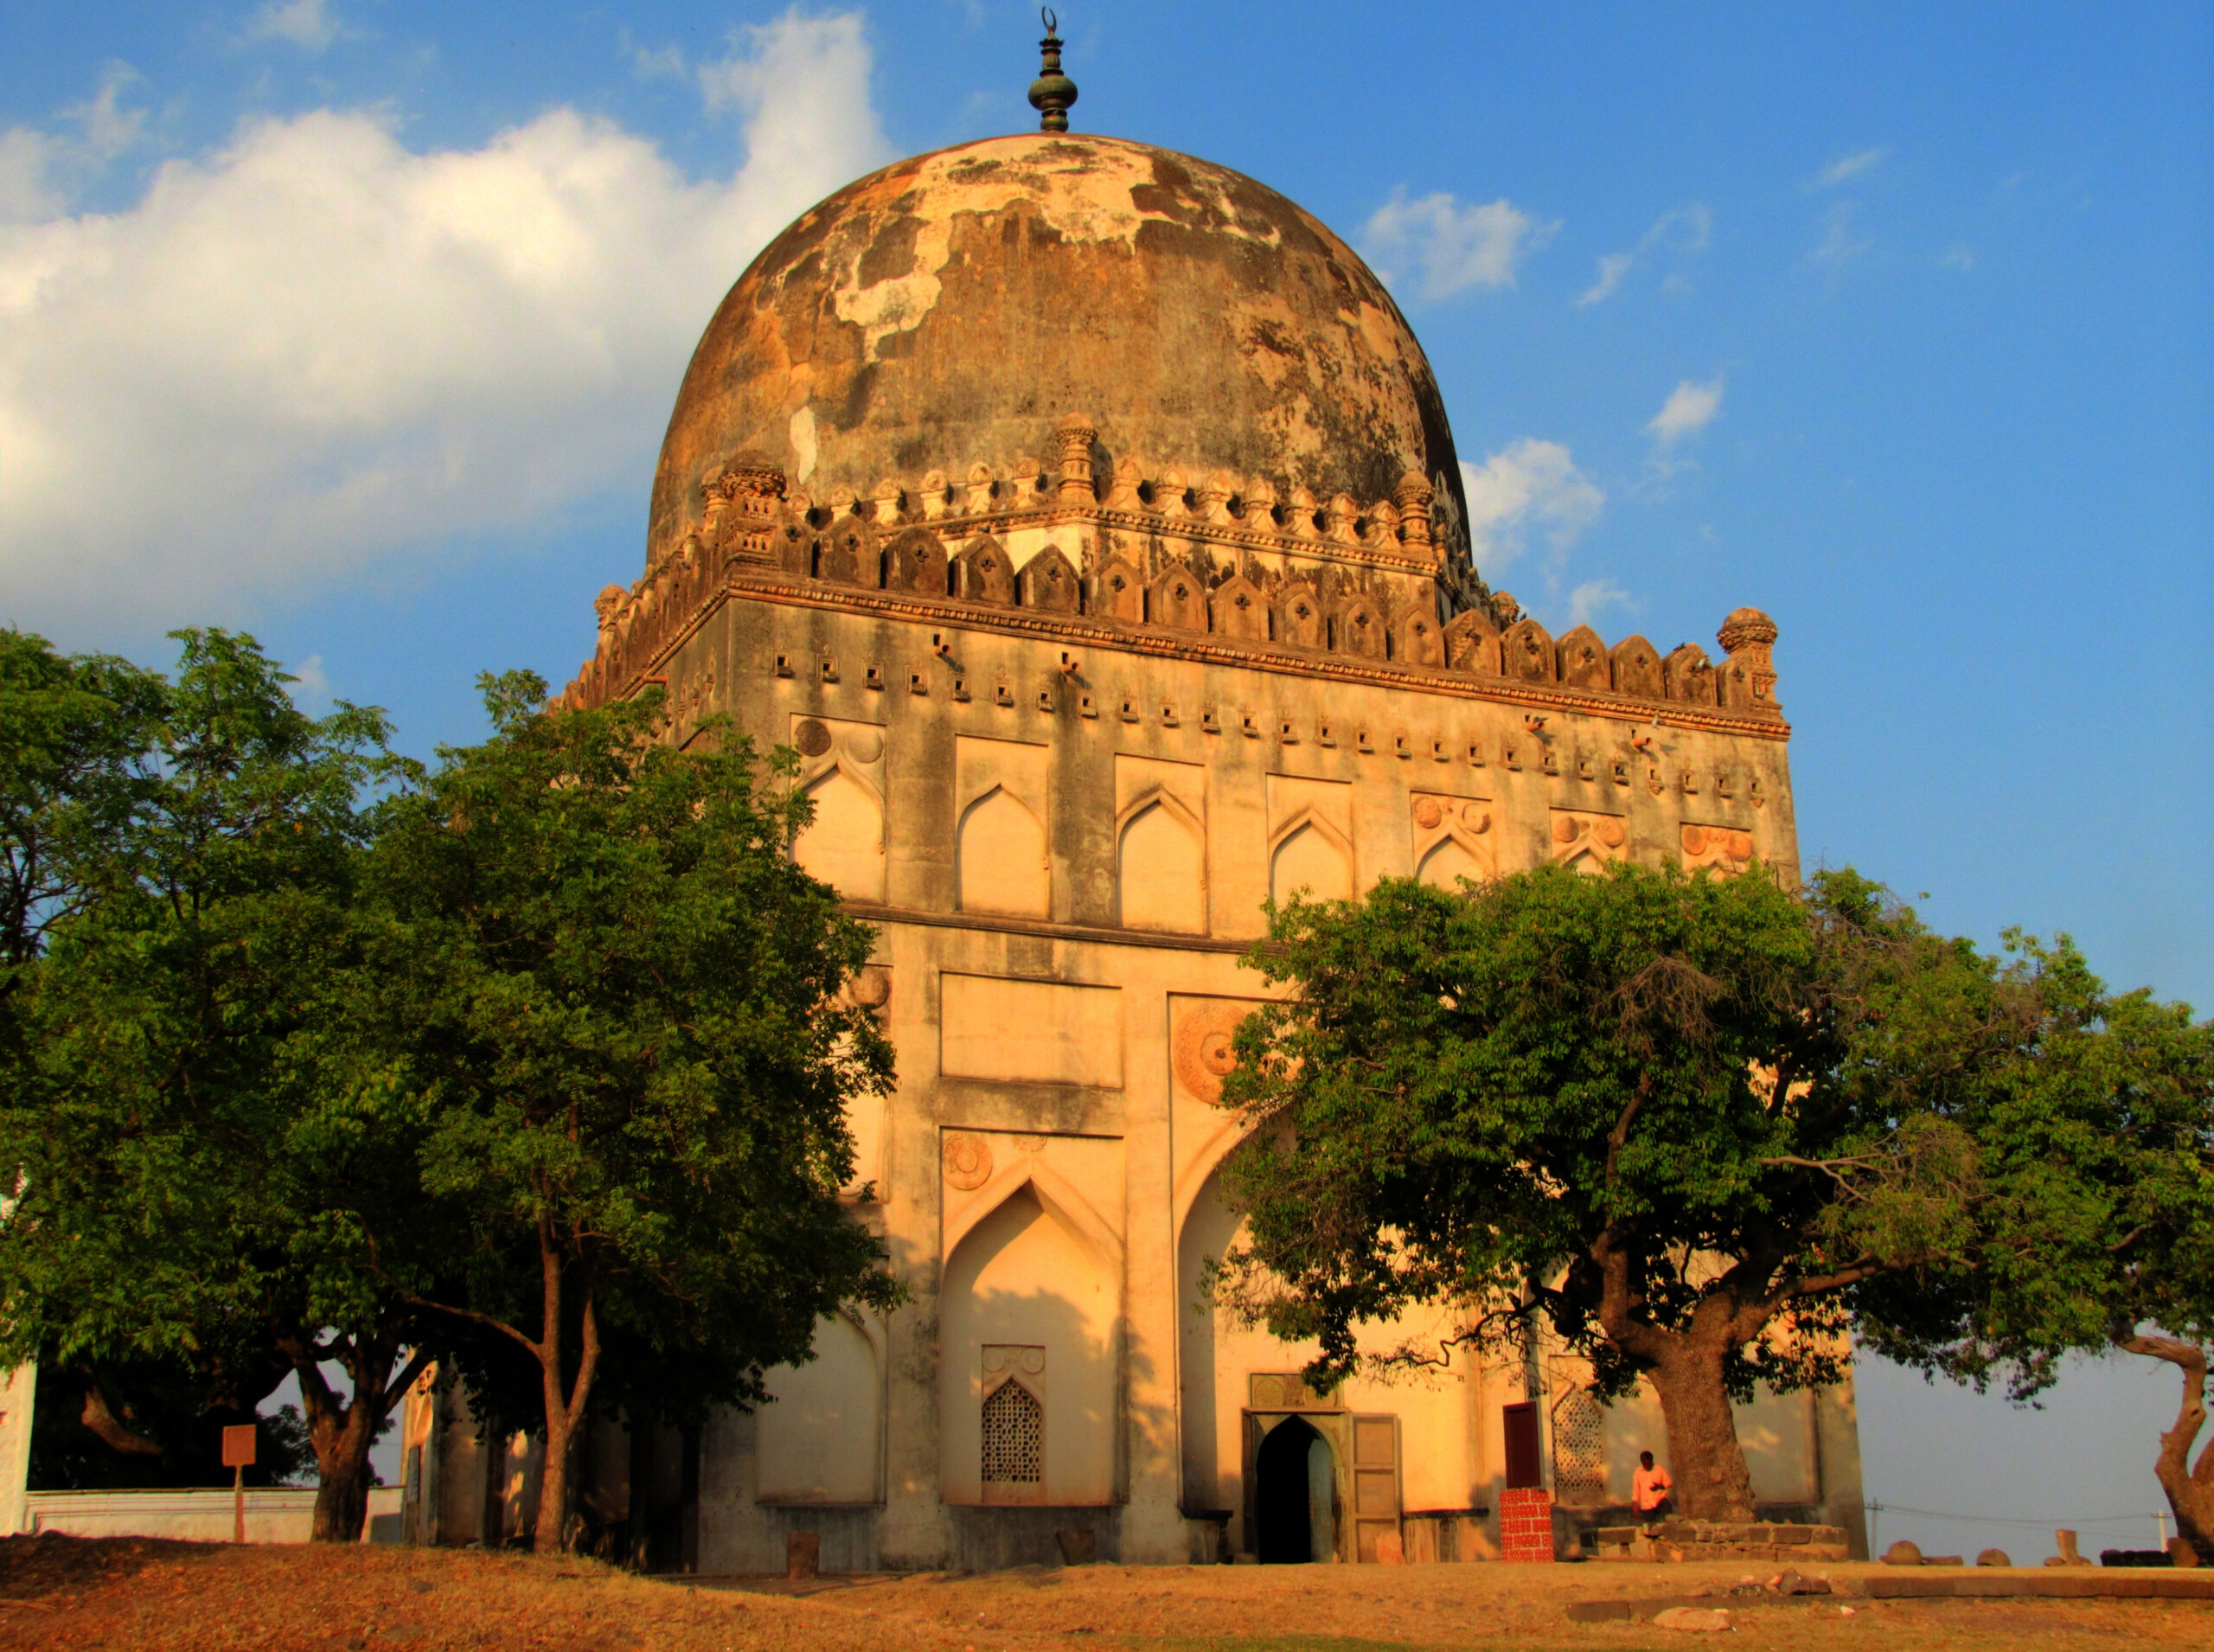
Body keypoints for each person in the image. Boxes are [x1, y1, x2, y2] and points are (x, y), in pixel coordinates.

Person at [1632, 1450, 1674, 1534]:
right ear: (1642, 1463)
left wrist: (1659, 1486)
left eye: (1649, 1464)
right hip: (1647, 1504)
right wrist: (1635, 1506)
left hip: (1659, 1499)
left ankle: (1671, 1533)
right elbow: (1636, 1489)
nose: (1647, 1466)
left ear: (1652, 1461)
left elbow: (1669, 1482)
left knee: (1668, 1514)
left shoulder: (1659, 1469)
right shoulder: (1638, 1472)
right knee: (1649, 1528)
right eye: (1645, 1464)